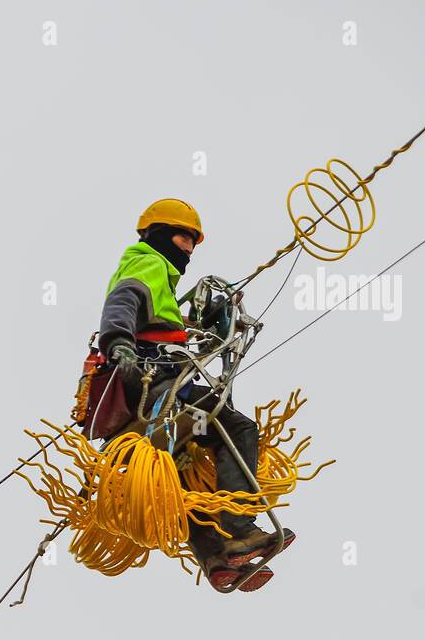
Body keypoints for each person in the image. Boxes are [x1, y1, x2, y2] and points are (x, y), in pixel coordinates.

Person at [96, 198, 294, 591]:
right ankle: (239, 526)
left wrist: (202, 321)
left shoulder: (162, 284)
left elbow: (162, 319)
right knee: (236, 428)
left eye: (192, 240)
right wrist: (117, 341)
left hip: (142, 390)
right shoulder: (147, 263)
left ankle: (216, 556)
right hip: (152, 380)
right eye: (180, 235)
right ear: (156, 234)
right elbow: (123, 299)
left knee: (182, 479)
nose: (187, 247)